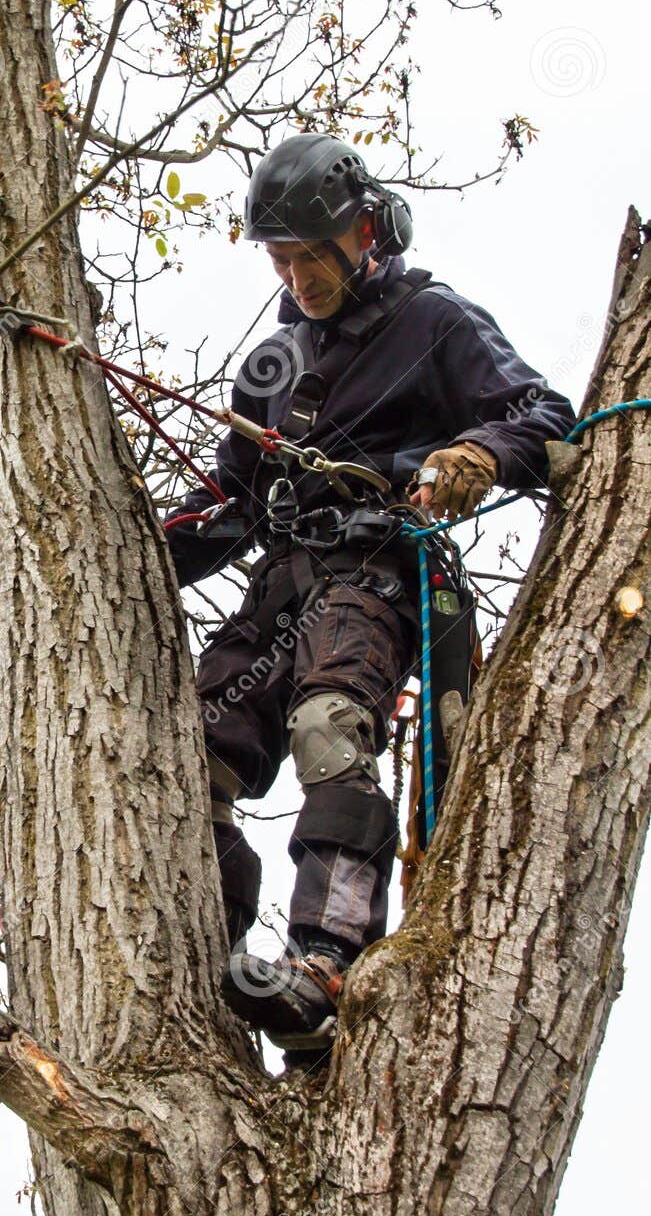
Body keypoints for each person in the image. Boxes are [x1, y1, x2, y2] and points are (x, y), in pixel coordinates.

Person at [166, 132, 576, 1048]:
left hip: (370, 575)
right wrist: (145, 546)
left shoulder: (433, 322)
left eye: (313, 253)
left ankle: (328, 959)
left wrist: (474, 454)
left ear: (368, 231)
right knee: (189, 762)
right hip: (275, 594)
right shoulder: (271, 364)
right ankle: (210, 955)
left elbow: (540, 413)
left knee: (328, 732)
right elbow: (228, 505)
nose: (298, 275)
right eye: (280, 257)